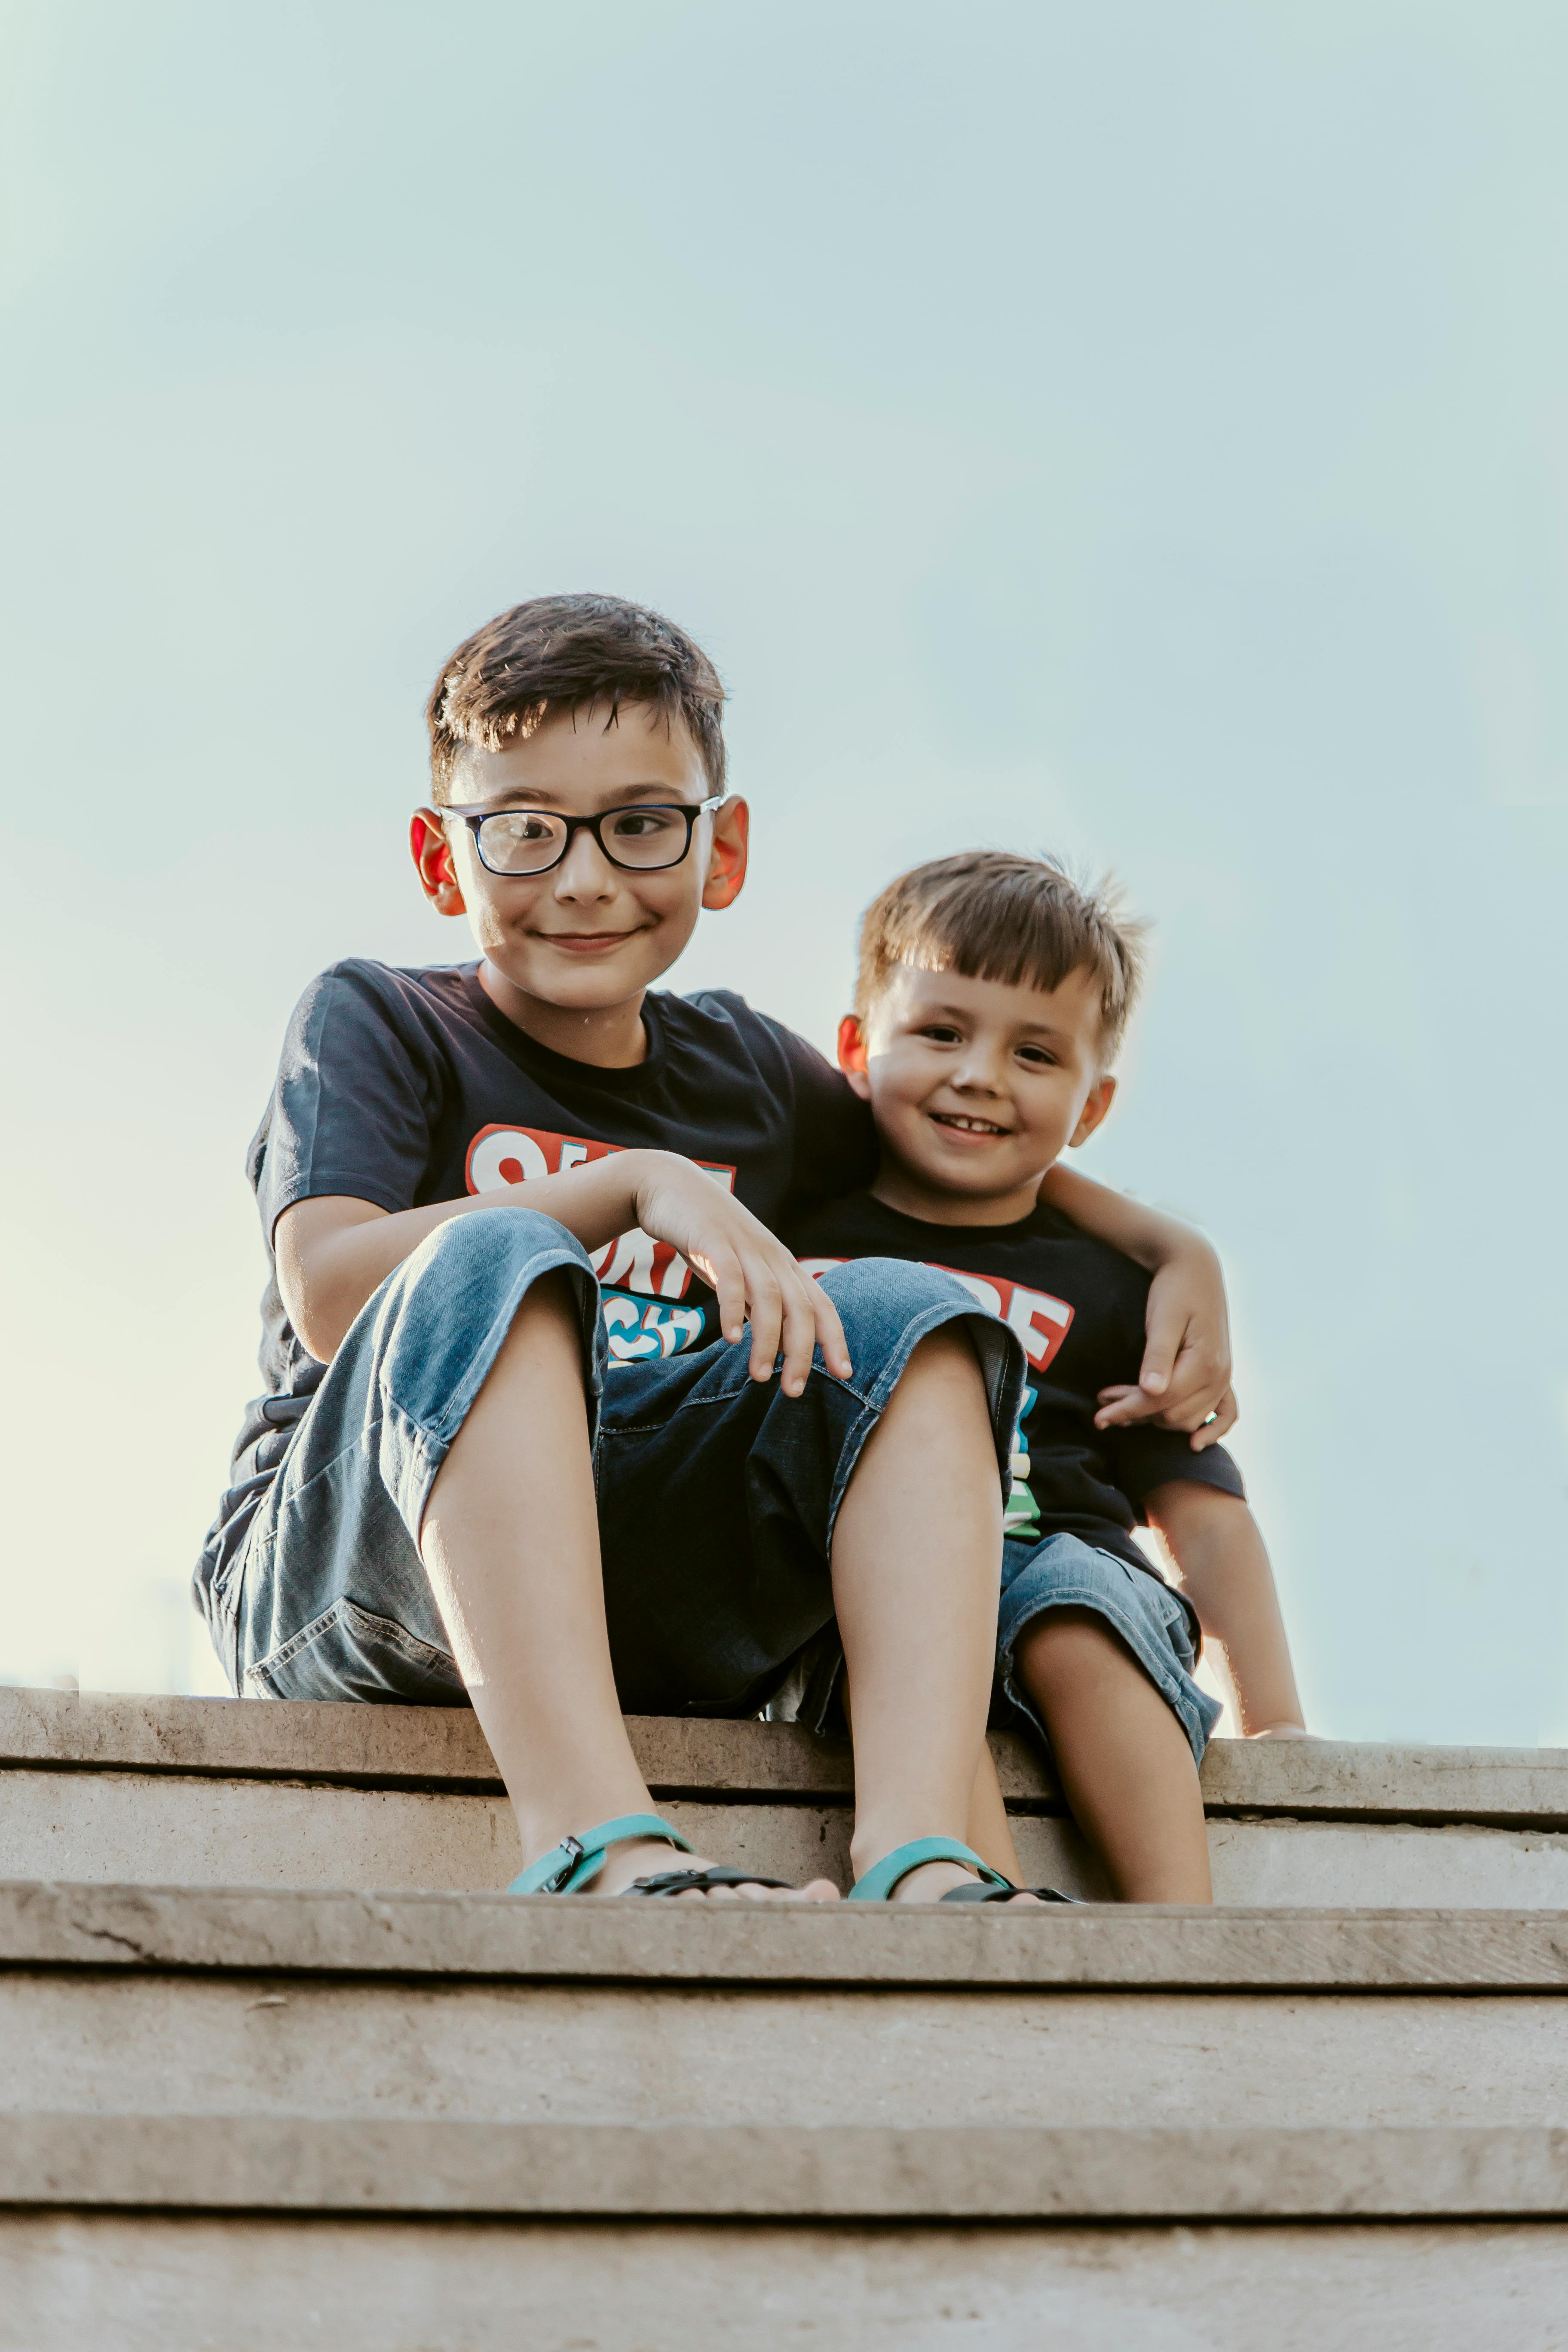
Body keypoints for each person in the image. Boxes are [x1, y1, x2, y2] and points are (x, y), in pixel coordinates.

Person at [195, 595, 1236, 1908]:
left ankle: (924, 1859)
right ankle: (599, 1844)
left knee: (912, 1311)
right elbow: (336, 1287)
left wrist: (1168, 1245)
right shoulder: (383, 1020)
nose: (583, 878)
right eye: (523, 830)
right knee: (499, 1257)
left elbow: (956, 1138)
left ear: (721, 850)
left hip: (649, 1584)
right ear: (441, 859)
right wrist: (633, 1183)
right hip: (353, 1567)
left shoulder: (748, 1072)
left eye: (639, 825)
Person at [788, 851, 1309, 1905]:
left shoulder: (1116, 1290)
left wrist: (1283, 1731)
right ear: (856, 1047)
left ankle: (1181, 1930)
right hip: (862, 1591)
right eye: (940, 1032)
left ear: (1092, 1107)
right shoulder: (796, 1227)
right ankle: (992, 1920)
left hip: (1060, 1559)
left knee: (1077, 1606)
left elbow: (1203, 1518)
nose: (979, 1074)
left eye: (1035, 1054)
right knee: (897, 1649)